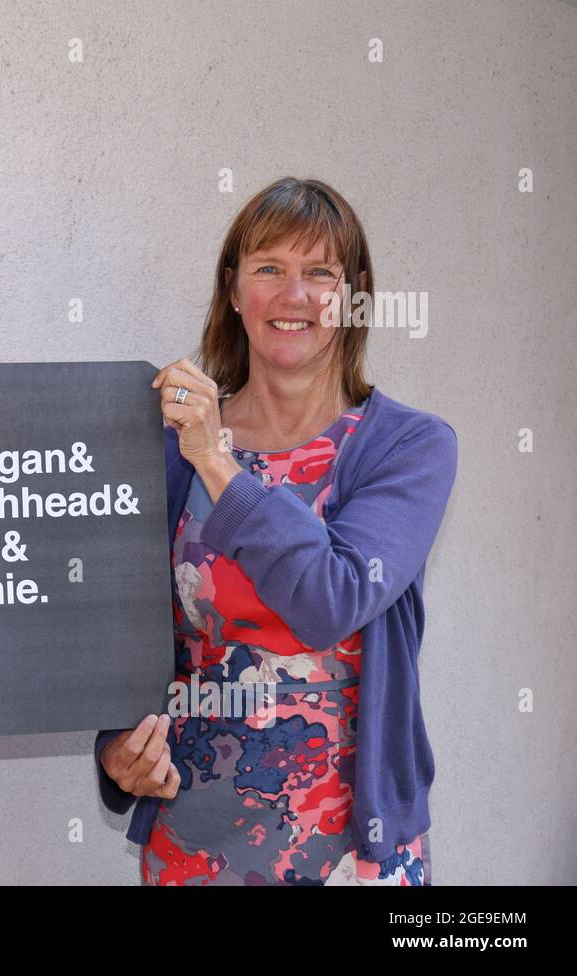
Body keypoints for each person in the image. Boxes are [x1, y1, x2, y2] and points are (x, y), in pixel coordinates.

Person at [95, 177, 457, 885]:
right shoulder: (166, 451)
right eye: (268, 269)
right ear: (234, 291)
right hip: (194, 840)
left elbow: (331, 599)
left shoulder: (409, 447)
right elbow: (122, 630)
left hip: (355, 850)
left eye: (318, 272)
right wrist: (118, 746)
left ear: (352, 296)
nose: (294, 295)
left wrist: (215, 457)